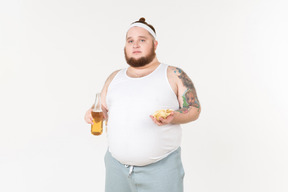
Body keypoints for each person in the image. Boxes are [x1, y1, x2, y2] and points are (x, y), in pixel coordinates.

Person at [84, 17, 201, 192]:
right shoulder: (114, 77)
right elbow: (103, 110)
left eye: (142, 40)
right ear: (125, 46)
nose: (135, 45)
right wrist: (93, 114)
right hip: (117, 169)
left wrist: (174, 116)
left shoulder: (173, 74)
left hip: (162, 171)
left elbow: (194, 109)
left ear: (154, 44)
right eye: (130, 41)